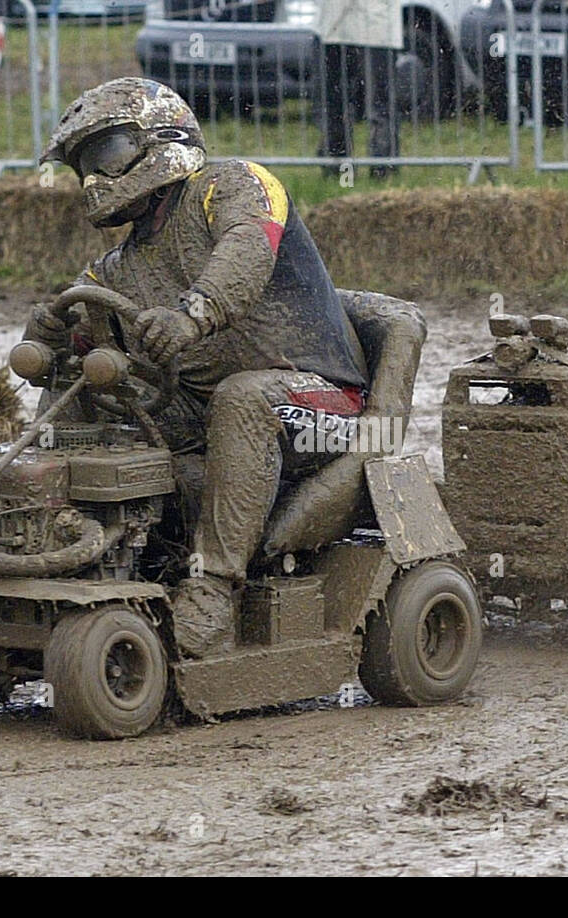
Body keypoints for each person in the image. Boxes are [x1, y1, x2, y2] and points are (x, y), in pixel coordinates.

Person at [26, 78, 369, 658]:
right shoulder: (118, 264)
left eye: (105, 154)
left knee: (243, 398)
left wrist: (195, 313)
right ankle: (49, 538)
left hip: (324, 405)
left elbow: (246, 248)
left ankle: (213, 588)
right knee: (89, 387)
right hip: (205, 412)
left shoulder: (234, 186)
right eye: (84, 166)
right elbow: (70, 335)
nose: (95, 179)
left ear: (163, 136)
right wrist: (50, 337)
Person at [316, 0, 404, 178]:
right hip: (335, 27)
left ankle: (382, 172)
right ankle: (341, 174)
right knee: (336, 106)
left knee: (379, 106)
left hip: (378, 27)